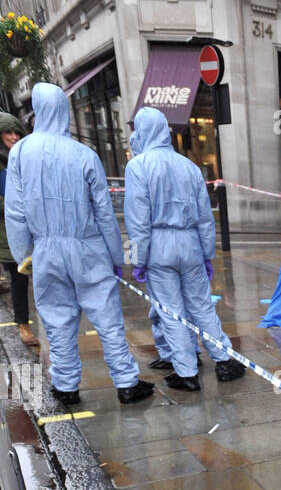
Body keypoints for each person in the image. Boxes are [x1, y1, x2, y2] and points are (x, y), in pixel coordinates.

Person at [4, 83, 152, 406]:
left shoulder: (20, 153)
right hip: (88, 248)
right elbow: (104, 213)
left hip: (45, 249)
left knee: (56, 320)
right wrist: (116, 256)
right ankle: (126, 382)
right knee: (108, 319)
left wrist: (24, 254)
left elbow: (15, 211)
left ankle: (66, 385)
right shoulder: (85, 155)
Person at [124, 106, 244, 391]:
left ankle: (186, 371)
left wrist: (136, 259)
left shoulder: (137, 166)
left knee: (170, 310)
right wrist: (207, 255)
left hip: (158, 247)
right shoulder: (189, 166)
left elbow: (137, 220)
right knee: (202, 305)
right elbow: (205, 217)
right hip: (190, 244)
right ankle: (224, 359)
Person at [0, 111, 37, 347]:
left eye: (16, 132)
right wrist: (16, 205)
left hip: (32, 228)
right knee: (18, 278)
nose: (13, 136)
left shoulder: (24, 156)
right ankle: (22, 324)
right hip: (7, 233)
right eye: (8, 132)